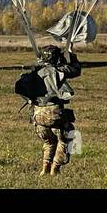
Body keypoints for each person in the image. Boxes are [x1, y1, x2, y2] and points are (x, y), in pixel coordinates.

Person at [16, 44, 82, 176]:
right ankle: (55, 169)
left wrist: (31, 99)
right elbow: (76, 70)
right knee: (67, 137)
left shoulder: (35, 73)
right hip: (54, 112)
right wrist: (71, 55)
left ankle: (44, 169)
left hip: (37, 114)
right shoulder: (59, 70)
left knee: (49, 141)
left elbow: (19, 87)